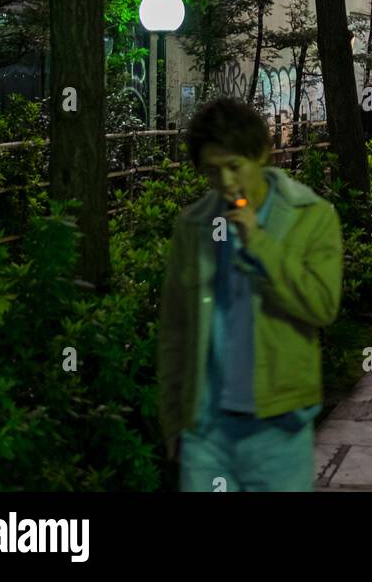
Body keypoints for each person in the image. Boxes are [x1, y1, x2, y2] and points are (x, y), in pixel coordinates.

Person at [158, 96, 343, 491]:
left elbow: (322, 306)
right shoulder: (192, 227)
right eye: (212, 171)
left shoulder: (311, 216)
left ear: (261, 154)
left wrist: (259, 244)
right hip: (205, 427)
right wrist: (173, 419)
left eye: (233, 167)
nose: (225, 182)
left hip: (278, 426)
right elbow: (174, 330)